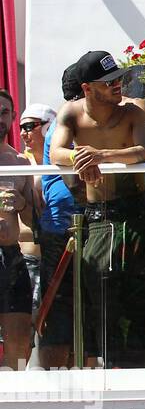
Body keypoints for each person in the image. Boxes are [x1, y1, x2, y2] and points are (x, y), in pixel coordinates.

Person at [47, 51, 145, 367]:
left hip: (136, 211)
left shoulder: (134, 110)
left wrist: (101, 156)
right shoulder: (70, 113)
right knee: (100, 292)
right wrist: (80, 159)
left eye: (119, 79)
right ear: (86, 88)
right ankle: (110, 364)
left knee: (140, 293)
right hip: (97, 215)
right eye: (108, 81)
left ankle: (144, 366)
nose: (117, 85)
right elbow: (57, 152)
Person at [0, 91, 36, 368]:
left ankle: (15, 398)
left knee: (21, 334)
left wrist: (22, 201)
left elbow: (33, 218)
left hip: (10, 253)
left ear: (13, 117)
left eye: (4, 112)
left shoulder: (20, 162)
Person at [16, 103, 55, 326]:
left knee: (58, 332)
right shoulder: (20, 163)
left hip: (58, 255)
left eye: (30, 126)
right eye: (21, 127)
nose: (23, 133)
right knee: (24, 330)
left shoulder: (61, 163)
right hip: (29, 256)